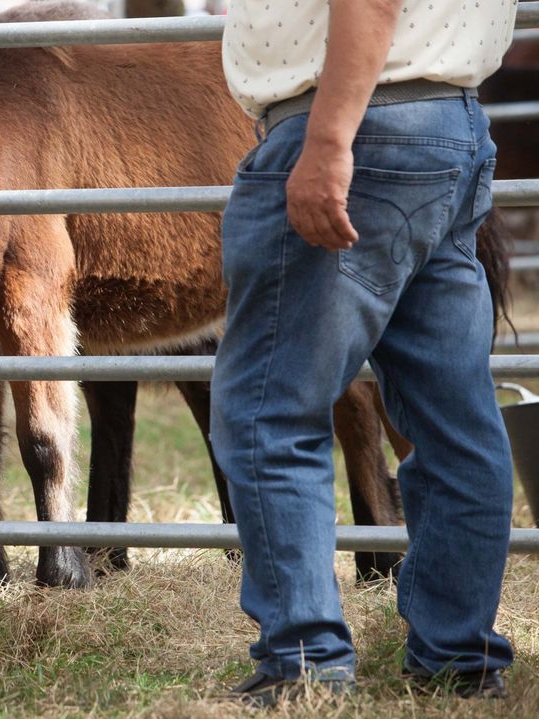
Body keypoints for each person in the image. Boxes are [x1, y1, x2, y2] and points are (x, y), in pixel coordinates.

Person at [212, 0, 519, 706]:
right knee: (453, 416)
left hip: (355, 124)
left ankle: (304, 661)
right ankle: (458, 657)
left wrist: (328, 140)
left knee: (270, 407)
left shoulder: (339, 132)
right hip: (448, 124)